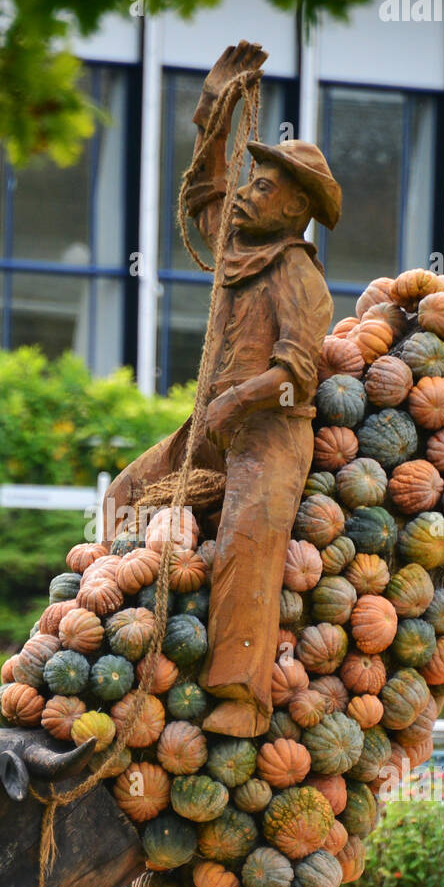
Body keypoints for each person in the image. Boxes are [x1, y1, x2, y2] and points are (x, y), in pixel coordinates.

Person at [103, 41, 340, 739]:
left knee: (246, 537)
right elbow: (204, 191)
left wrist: (237, 401)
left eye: (266, 187)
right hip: (211, 427)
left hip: (271, 435)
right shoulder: (238, 246)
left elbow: (300, 372)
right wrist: (215, 107)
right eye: (254, 179)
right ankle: (120, 623)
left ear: (296, 208)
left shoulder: (300, 276)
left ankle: (240, 695)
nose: (249, 192)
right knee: (124, 492)